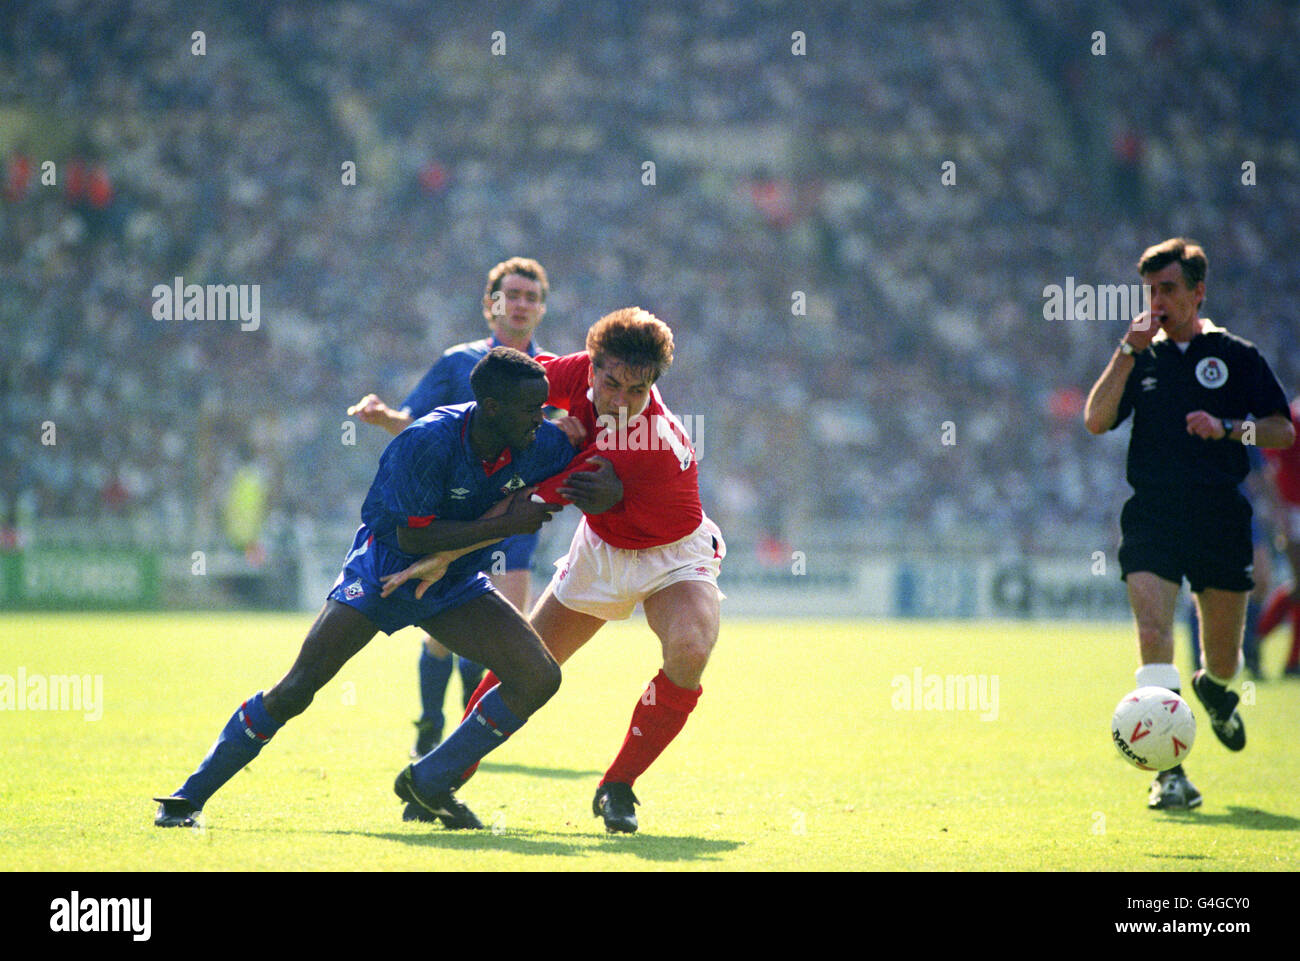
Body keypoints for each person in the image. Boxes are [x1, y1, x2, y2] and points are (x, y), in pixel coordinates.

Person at [154, 349, 623, 829]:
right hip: (382, 573)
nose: (541, 420)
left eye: (545, 408)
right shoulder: (428, 441)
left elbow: (597, 467)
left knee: (538, 676)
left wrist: (607, 489)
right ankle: (186, 798)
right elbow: (411, 537)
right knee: (298, 688)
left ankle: (430, 780)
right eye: (531, 410)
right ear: (492, 407)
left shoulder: (539, 442)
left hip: (453, 584)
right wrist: (504, 524)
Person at [383, 307, 725, 834]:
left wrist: (446, 552)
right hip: (603, 549)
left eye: (636, 391)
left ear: (652, 387)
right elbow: (511, 395)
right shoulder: (565, 373)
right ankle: (442, 776)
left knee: (691, 650)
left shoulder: (650, 441)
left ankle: (618, 786)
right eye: (610, 382)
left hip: (673, 555)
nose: (618, 400)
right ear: (591, 366)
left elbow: (530, 503)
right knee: (521, 665)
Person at [1084, 237, 1295, 810]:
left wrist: (1229, 429)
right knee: (1154, 634)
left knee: (1222, 660)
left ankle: (1213, 690)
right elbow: (1096, 419)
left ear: (1198, 293)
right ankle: (1170, 773)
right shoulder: (1140, 357)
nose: (1157, 301)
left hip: (1219, 516)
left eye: (1168, 289)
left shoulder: (1236, 356)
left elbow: (1281, 431)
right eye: (1150, 290)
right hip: (1152, 513)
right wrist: (1123, 352)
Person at [348, 257, 551, 756]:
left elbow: (559, 444)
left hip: (512, 522)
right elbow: (414, 425)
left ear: (541, 309)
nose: (520, 304)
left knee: (503, 630)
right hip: (454, 521)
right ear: (490, 305)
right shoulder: (458, 363)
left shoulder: (551, 373)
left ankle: (463, 735)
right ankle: (431, 727)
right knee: (443, 634)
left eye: (531, 296)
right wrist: (385, 417)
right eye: (511, 295)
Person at [1256, 397, 1300, 676]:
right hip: (1294, 511)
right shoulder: (1293, 419)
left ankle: (1292, 660)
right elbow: (1272, 467)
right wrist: (1281, 514)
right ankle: (1256, 636)